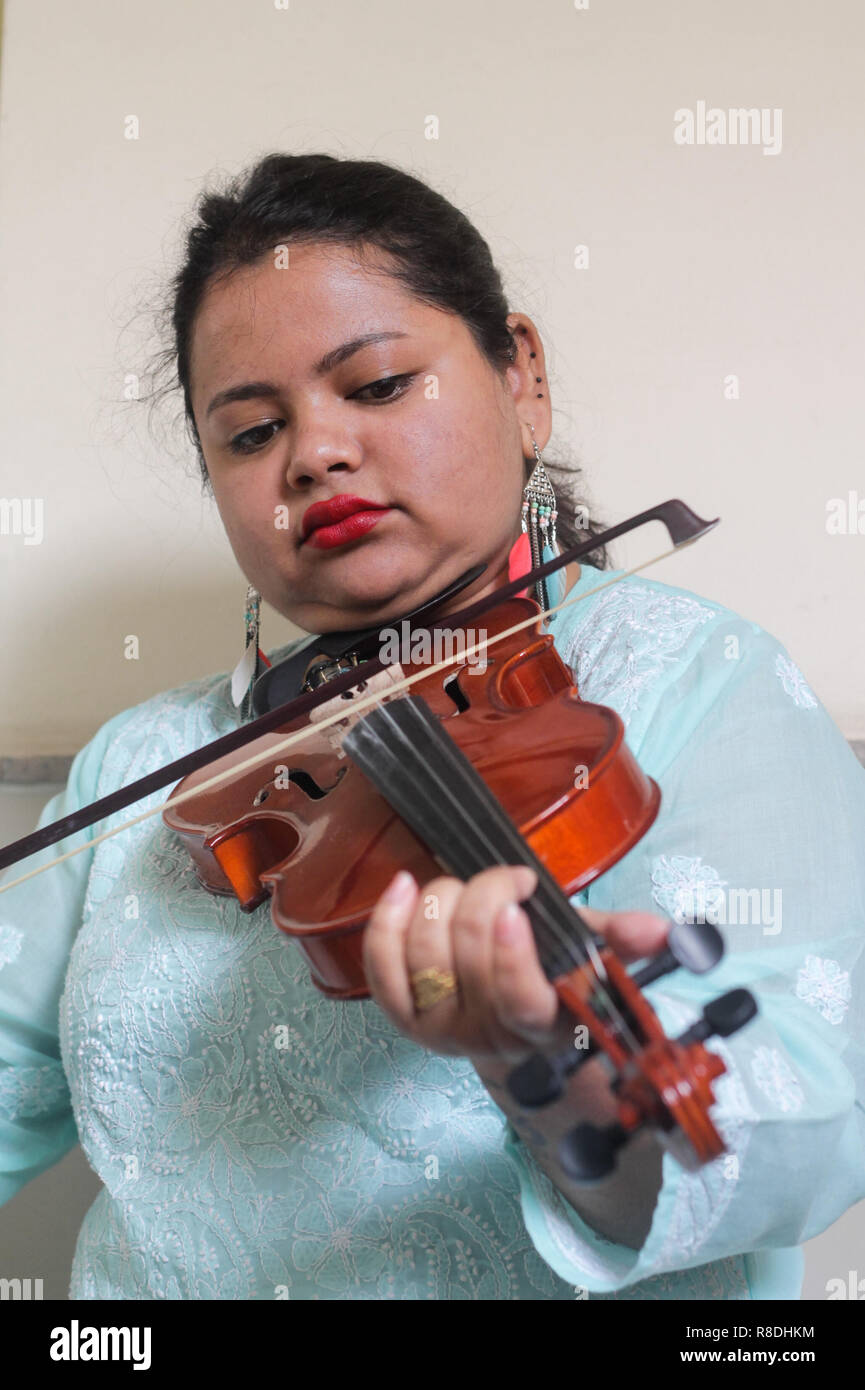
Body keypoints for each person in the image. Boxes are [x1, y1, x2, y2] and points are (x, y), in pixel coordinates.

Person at [1, 153, 863, 1301]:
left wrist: (542, 1060)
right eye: (252, 434)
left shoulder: (685, 681)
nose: (314, 453)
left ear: (522, 375)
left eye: (376, 385)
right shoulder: (153, 764)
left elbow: (794, 1130)